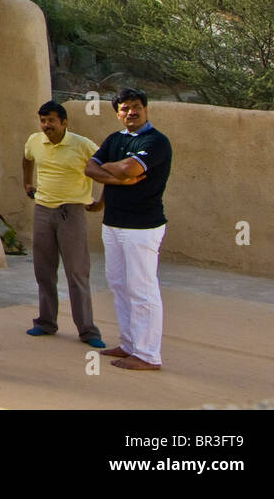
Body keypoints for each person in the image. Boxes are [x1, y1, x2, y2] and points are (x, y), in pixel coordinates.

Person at [84, 87, 172, 371]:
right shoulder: (115, 139)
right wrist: (117, 174)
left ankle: (148, 355)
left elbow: (132, 169)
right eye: (124, 108)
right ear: (117, 114)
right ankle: (129, 344)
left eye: (136, 106)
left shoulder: (157, 142)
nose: (131, 112)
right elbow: (89, 168)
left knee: (142, 289)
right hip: (113, 224)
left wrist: (113, 170)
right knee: (119, 285)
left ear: (145, 109)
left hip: (142, 227)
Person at [21, 101, 104, 347]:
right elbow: (26, 158)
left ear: (64, 122)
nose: (46, 126)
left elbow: (105, 167)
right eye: (43, 121)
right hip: (43, 210)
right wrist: (27, 182)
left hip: (72, 212)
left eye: (51, 121)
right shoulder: (34, 141)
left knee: (77, 271)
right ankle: (46, 322)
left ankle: (88, 330)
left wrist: (101, 202)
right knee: (43, 270)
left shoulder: (83, 145)